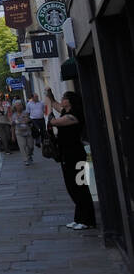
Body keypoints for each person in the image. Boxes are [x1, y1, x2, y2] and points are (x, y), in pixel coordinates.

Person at [48, 91, 95, 230]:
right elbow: (55, 105)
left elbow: (54, 122)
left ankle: (88, 220)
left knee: (80, 187)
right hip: (66, 155)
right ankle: (79, 218)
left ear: (69, 101)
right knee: (72, 187)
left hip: (76, 155)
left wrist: (48, 113)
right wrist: (50, 96)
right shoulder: (65, 111)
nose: (62, 100)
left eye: (64, 98)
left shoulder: (73, 116)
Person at [13, 99, 36, 165]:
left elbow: (30, 120)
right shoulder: (14, 115)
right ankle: (25, 159)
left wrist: (28, 120)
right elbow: (12, 125)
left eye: (20, 105)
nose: (19, 107)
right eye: (17, 106)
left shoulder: (26, 113)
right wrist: (13, 135)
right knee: (22, 146)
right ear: (15, 107)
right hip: (19, 133)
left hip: (28, 132)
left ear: (22, 106)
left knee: (31, 146)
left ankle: (29, 155)